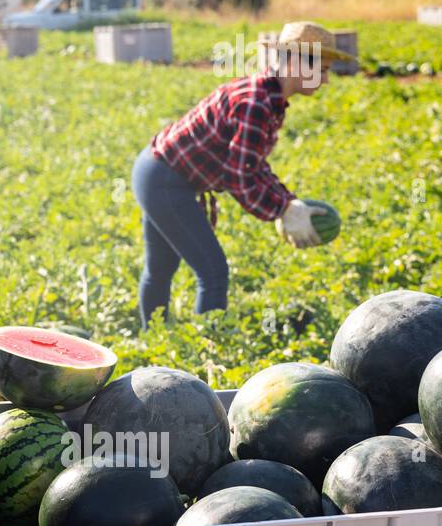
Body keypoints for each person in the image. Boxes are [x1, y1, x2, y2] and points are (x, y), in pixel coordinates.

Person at [133, 21, 353, 328]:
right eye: (324, 69)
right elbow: (238, 177)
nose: (327, 80)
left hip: (159, 172)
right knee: (212, 271)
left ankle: (152, 338)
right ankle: (208, 349)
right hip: (165, 181)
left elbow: (252, 165)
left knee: (161, 268)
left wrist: (289, 203)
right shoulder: (257, 102)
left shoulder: (270, 99)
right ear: (296, 62)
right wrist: (281, 211)